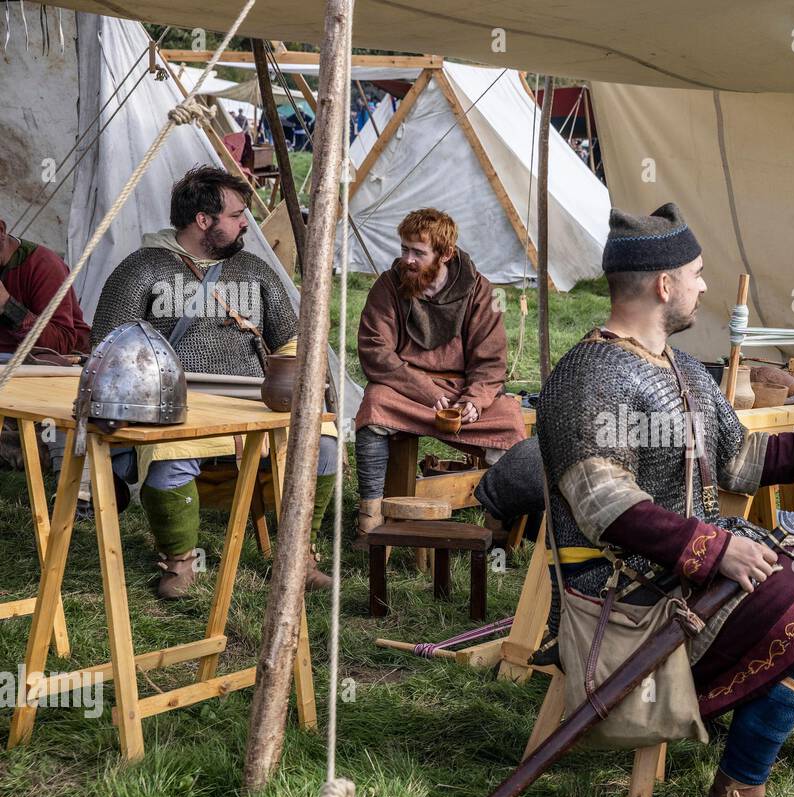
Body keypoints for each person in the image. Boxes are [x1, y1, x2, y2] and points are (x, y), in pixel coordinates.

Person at [537, 202, 794, 797]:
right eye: (697, 273)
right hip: (629, 596)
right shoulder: (586, 378)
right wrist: (714, 547)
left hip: (691, 572)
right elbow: (605, 507)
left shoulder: (683, 371)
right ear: (662, 284)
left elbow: (745, 461)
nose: (705, 286)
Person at [91, 165, 338, 598]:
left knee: (326, 446)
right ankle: (179, 562)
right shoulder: (142, 269)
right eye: (237, 214)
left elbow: (293, 343)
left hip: (253, 403)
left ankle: (299, 556)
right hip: (179, 405)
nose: (246, 222)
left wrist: (293, 376)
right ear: (203, 220)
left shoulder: (254, 270)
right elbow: (111, 346)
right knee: (169, 457)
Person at [352, 208, 525, 545]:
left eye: (418, 252)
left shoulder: (479, 291)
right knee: (373, 406)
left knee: (509, 422)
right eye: (404, 249)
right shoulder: (389, 285)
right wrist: (426, 392)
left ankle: (497, 524)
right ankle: (369, 518)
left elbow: (491, 361)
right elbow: (375, 349)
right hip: (405, 388)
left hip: (461, 392)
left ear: (446, 254)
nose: (408, 260)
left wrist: (475, 401)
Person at [0, 217, 90, 356]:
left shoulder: (44, 265)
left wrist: (7, 307)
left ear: (1, 230)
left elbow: (62, 342)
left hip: (57, 370)